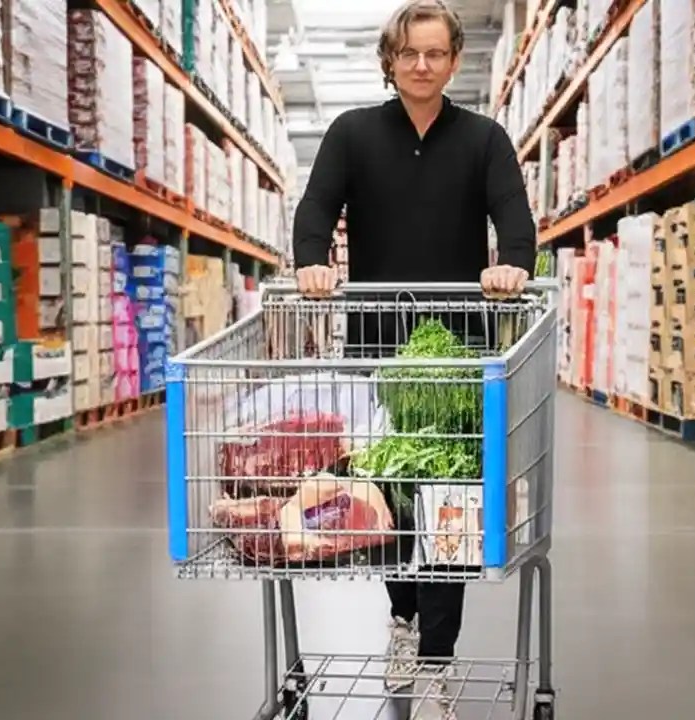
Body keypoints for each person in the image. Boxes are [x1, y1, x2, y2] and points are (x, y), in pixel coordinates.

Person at [290, 1, 537, 716]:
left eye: (435, 54)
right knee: (391, 496)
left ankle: (436, 654)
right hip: (376, 343)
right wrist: (312, 262)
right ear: (390, 61)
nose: (422, 66)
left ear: (455, 62)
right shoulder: (352, 134)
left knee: (448, 499)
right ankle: (401, 618)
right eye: (410, 54)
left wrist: (512, 265)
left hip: (455, 354)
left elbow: (513, 218)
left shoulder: (484, 140)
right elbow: (315, 209)